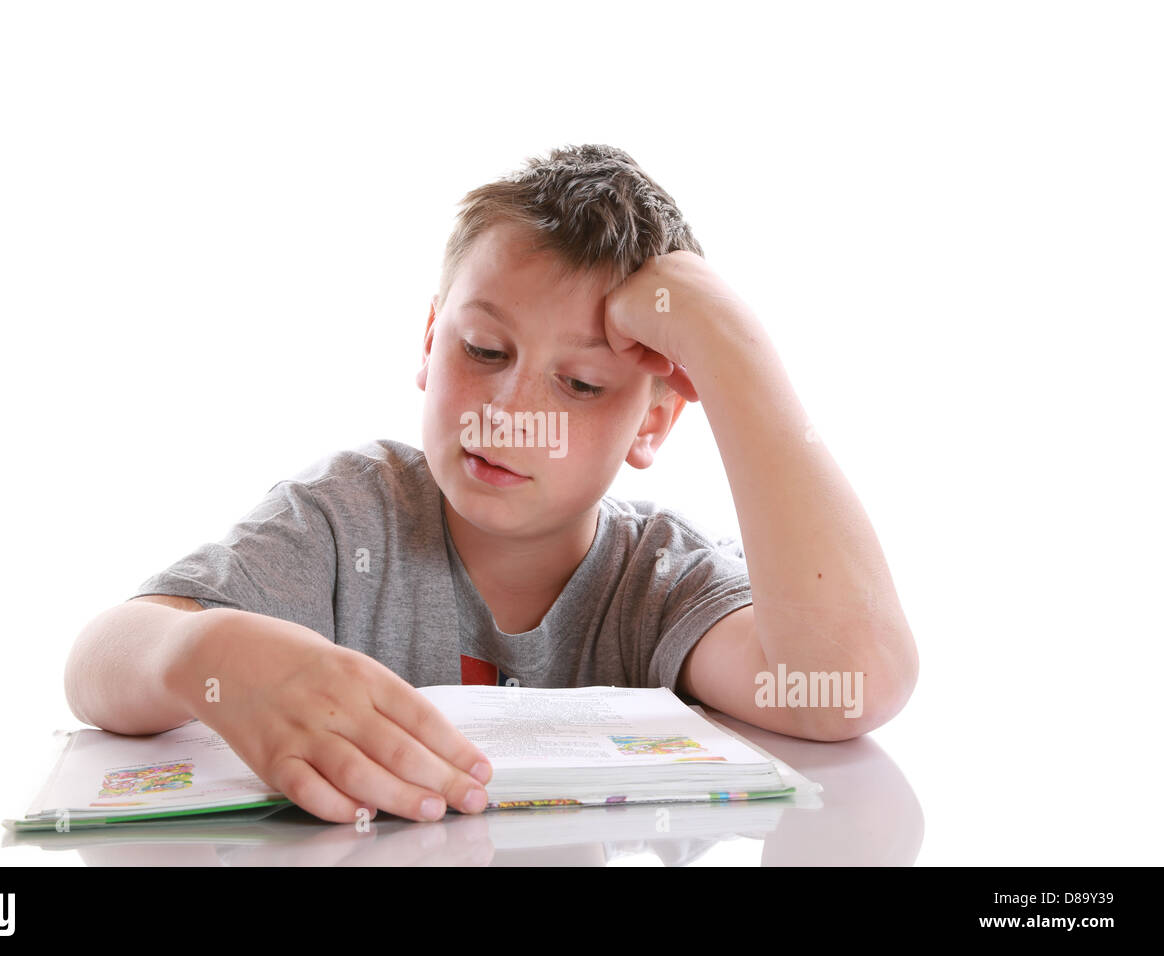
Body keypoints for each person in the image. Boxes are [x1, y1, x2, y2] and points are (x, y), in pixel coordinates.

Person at [64, 144, 918, 826]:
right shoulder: (346, 522)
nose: (508, 413)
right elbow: (98, 665)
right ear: (431, 338)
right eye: (482, 350)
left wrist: (731, 351)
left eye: (581, 386)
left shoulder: (660, 583)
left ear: (652, 423)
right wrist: (202, 655)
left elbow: (851, 684)